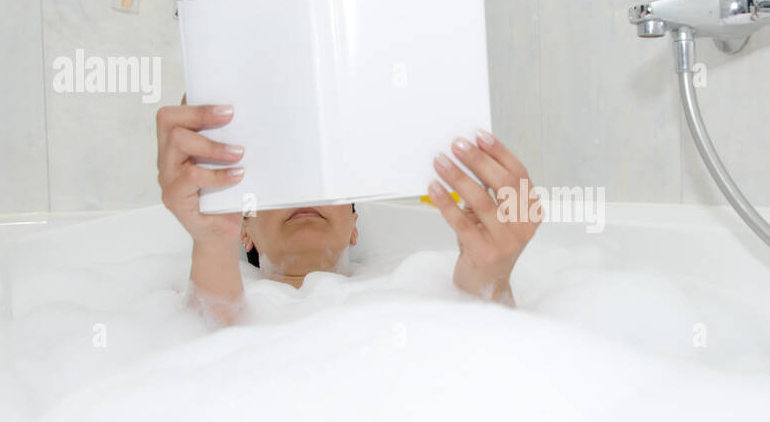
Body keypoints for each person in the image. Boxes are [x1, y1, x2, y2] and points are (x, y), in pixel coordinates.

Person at [156, 101, 542, 325]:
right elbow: (214, 336)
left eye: (324, 184)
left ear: (354, 228)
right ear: (244, 233)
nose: (304, 194)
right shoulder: (230, 305)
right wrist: (209, 242)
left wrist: (491, 282)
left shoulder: (406, 293)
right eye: (283, 184)